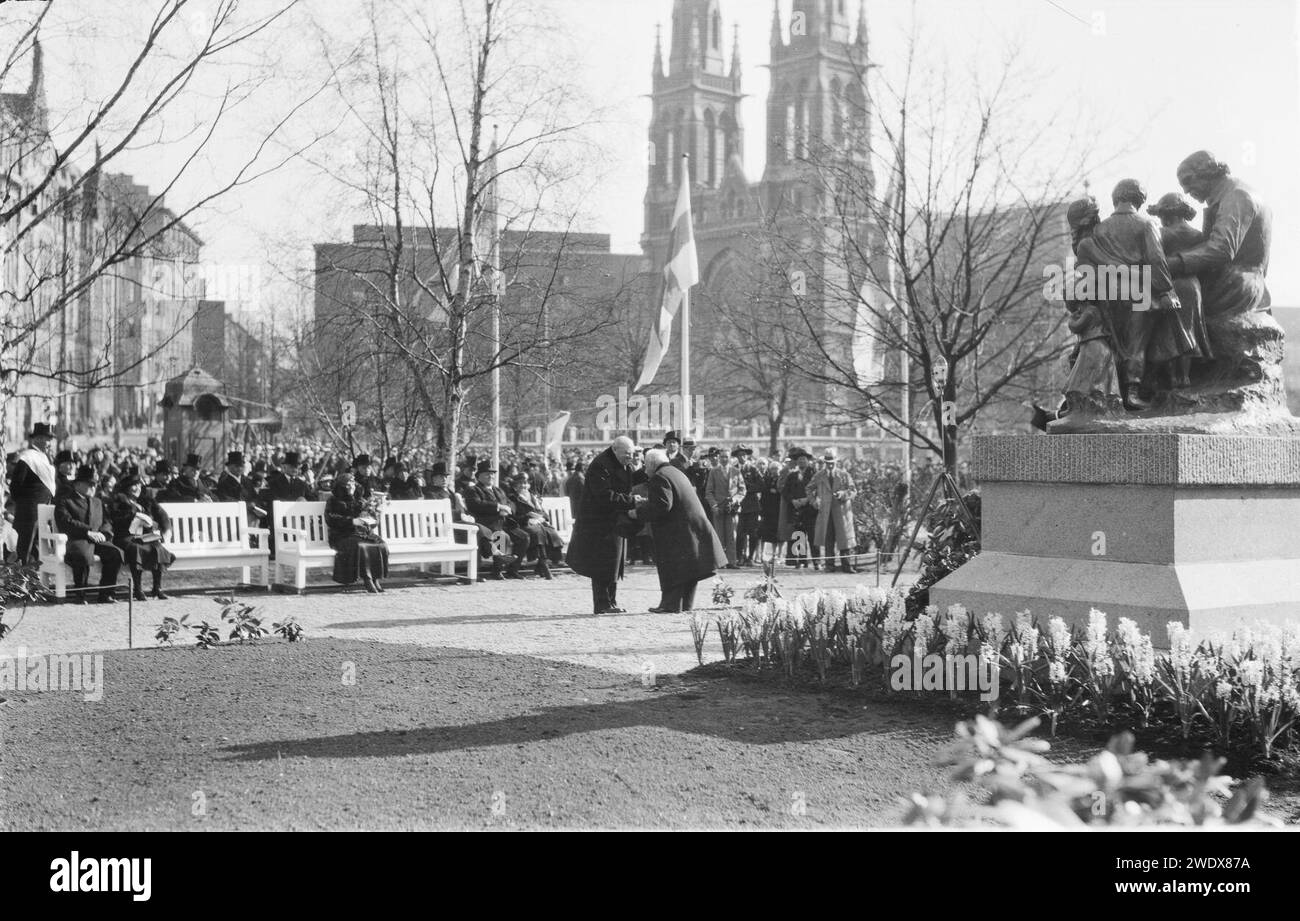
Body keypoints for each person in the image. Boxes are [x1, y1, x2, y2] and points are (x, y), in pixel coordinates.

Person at [1168, 150, 1272, 384]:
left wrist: (1173, 263)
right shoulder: (1228, 195)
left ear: (1207, 172)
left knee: (1171, 293)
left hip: (1237, 282)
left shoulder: (1237, 196)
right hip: (1233, 277)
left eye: (1188, 180)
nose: (1185, 190)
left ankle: (1180, 370)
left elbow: (1221, 249)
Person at [1079, 179, 1180, 410]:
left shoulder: (1099, 229)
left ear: (1116, 198)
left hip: (1108, 293)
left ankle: (1115, 391)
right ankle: (1132, 392)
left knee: (1116, 342)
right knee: (1136, 344)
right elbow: (1157, 260)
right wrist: (1166, 290)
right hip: (1138, 290)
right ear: (1140, 200)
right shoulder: (1146, 224)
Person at [633, 448, 728, 613]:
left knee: (675, 567)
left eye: (645, 465)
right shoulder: (675, 472)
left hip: (678, 531)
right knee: (689, 571)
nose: (644, 469)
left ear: (651, 464)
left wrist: (637, 512)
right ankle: (684, 605)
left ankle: (670, 604)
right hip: (691, 529)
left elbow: (662, 506)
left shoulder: (659, 476)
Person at [566, 435, 647, 614]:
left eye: (631, 454)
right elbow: (604, 495)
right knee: (603, 564)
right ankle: (602, 604)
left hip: (613, 519)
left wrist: (646, 472)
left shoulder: (620, 461)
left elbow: (627, 481)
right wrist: (631, 500)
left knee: (614, 563)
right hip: (599, 523)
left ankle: (611, 602)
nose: (629, 457)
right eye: (626, 454)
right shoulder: (600, 465)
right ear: (615, 449)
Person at [1148, 191, 1213, 392]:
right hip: (1193, 287)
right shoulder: (1198, 235)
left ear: (1167, 214)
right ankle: (1184, 377)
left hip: (1170, 287)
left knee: (1169, 334)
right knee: (1189, 330)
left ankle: (1172, 379)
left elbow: (1153, 261)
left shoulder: (1161, 234)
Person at [54, 465, 124, 604]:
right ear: (78, 484)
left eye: (96, 484)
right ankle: (80, 594)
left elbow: (106, 521)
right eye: (90, 484)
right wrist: (87, 532)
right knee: (82, 555)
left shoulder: (98, 502)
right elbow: (65, 522)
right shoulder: (66, 501)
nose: (94, 487)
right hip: (76, 539)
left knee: (115, 553)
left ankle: (106, 594)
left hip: (97, 539)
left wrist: (105, 533)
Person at [107, 475, 176, 601]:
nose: (137, 488)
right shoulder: (118, 501)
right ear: (127, 488)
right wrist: (133, 516)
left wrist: (166, 530)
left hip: (144, 536)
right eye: (134, 485)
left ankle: (157, 588)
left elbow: (162, 515)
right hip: (125, 537)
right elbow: (115, 520)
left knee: (158, 547)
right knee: (136, 549)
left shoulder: (146, 500)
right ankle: (138, 589)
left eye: (139, 485)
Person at [461, 460, 530, 580]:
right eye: (487, 474)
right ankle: (497, 570)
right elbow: (476, 505)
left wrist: (508, 509)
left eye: (492, 474)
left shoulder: (498, 490)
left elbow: (511, 504)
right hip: (487, 523)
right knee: (502, 536)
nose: (491, 476)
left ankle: (513, 570)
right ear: (478, 477)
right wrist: (498, 507)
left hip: (505, 523)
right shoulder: (473, 490)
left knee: (524, 537)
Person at [325, 472, 389, 592]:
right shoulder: (333, 500)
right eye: (347, 485)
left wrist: (372, 516)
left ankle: (376, 578)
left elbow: (373, 522)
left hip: (361, 533)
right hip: (342, 536)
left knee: (381, 544)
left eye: (352, 484)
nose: (350, 487)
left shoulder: (361, 500)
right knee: (361, 546)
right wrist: (352, 521)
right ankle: (367, 579)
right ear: (341, 486)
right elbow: (331, 519)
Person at [8, 422, 57, 564]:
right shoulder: (27, 457)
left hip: (41, 512)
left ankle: (31, 584)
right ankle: (19, 585)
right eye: (47, 439)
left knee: (35, 552)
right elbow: (15, 486)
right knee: (23, 550)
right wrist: (27, 504)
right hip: (28, 513)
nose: (49, 443)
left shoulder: (43, 457)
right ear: (38, 439)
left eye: (50, 440)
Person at [812, 451, 859, 574]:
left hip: (842, 512)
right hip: (826, 513)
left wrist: (843, 494)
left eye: (832, 463)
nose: (830, 465)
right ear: (824, 463)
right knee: (828, 540)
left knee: (845, 540)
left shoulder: (844, 475)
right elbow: (808, 488)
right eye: (828, 463)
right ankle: (829, 566)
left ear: (836, 462)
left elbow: (853, 490)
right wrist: (814, 501)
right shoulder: (819, 475)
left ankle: (847, 566)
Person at [509, 472, 562, 579]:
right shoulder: (512, 498)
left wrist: (541, 518)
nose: (523, 486)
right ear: (515, 485)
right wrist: (528, 517)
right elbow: (512, 517)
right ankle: (544, 566)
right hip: (522, 525)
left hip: (537, 523)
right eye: (520, 483)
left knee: (551, 532)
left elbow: (544, 513)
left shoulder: (532, 496)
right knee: (537, 532)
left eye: (525, 483)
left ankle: (542, 564)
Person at [705, 447, 746, 569]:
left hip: (732, 508)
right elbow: (709, 491)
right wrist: (714, 505)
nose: (724, 459)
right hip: (718, 507)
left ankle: (732, 561)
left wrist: (736, 500)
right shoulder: (713, 471)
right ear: (719, 457)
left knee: (732, 535)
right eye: (722, 456)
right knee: (719, 535)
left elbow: (742, 489)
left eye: (726, 457)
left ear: (730, 458)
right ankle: (720, 562)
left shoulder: (736, 471)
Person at [734, 445, 762, 566]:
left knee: (753, 533)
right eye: (740, 455)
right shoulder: (732, 469)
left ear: (747, 456)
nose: (742, 457)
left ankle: (750, 557)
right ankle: (740, 557)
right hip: (738, 505)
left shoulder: (753, 469)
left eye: (744, 455)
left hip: (752, 505)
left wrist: (746, 488)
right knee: (740, 533)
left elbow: (761, 485)